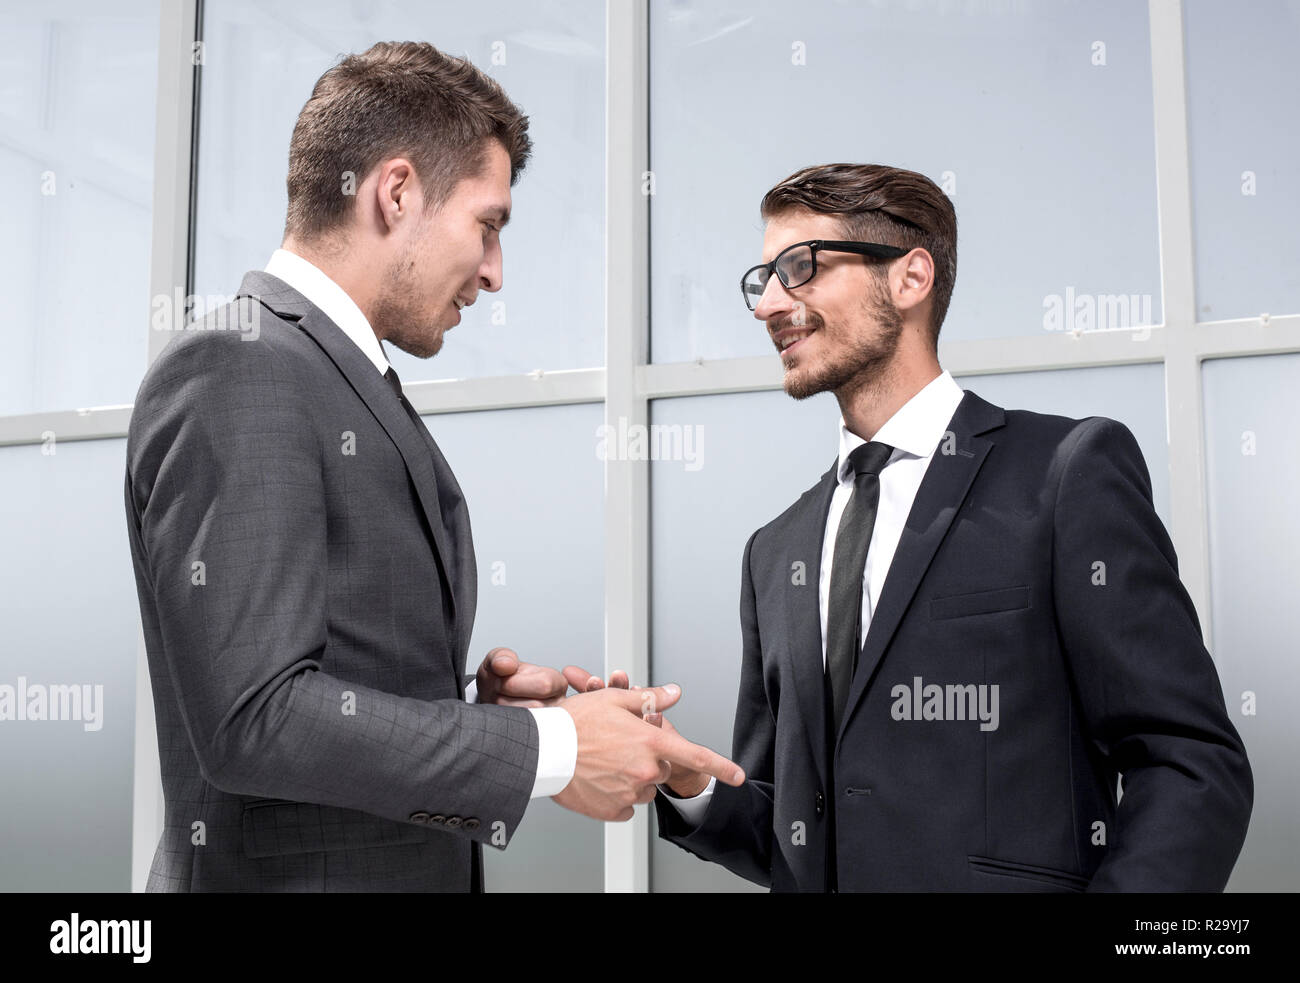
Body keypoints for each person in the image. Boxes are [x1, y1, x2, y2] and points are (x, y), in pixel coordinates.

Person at [123, 40, 741, 893]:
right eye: (487, 225)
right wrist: (551, 749)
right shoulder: (243, 366)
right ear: (397, 191)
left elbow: (321, 688)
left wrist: (471, 716)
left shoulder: (333, 372)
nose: (493, 273)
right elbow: (254, 717)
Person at [643, 162, 1252, 891]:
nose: (769, 303)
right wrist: (689, 779)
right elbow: (792, 833)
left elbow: (1189, 761)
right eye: (762, 277)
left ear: (910, 279)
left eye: (799, 266)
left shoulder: (1065, 473)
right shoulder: (774, 553)